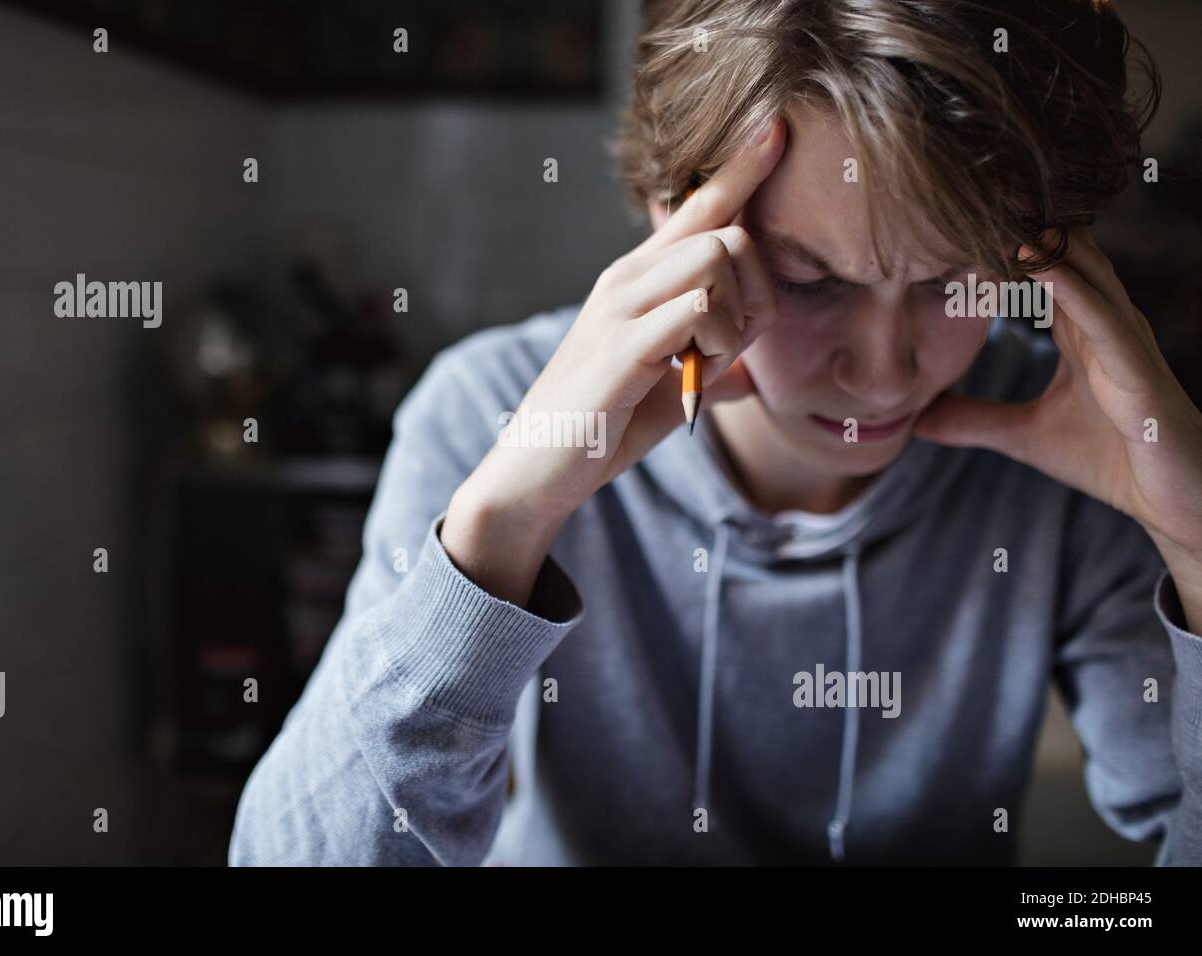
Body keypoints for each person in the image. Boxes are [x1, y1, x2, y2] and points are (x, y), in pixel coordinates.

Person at [228, 0, 1202, 865]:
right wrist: (504, 523)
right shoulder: (488, 408)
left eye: (957, 284)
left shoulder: (1071, 440)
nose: (884, 368)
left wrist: (1195, 545)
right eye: (814, 282)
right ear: (671, 215)